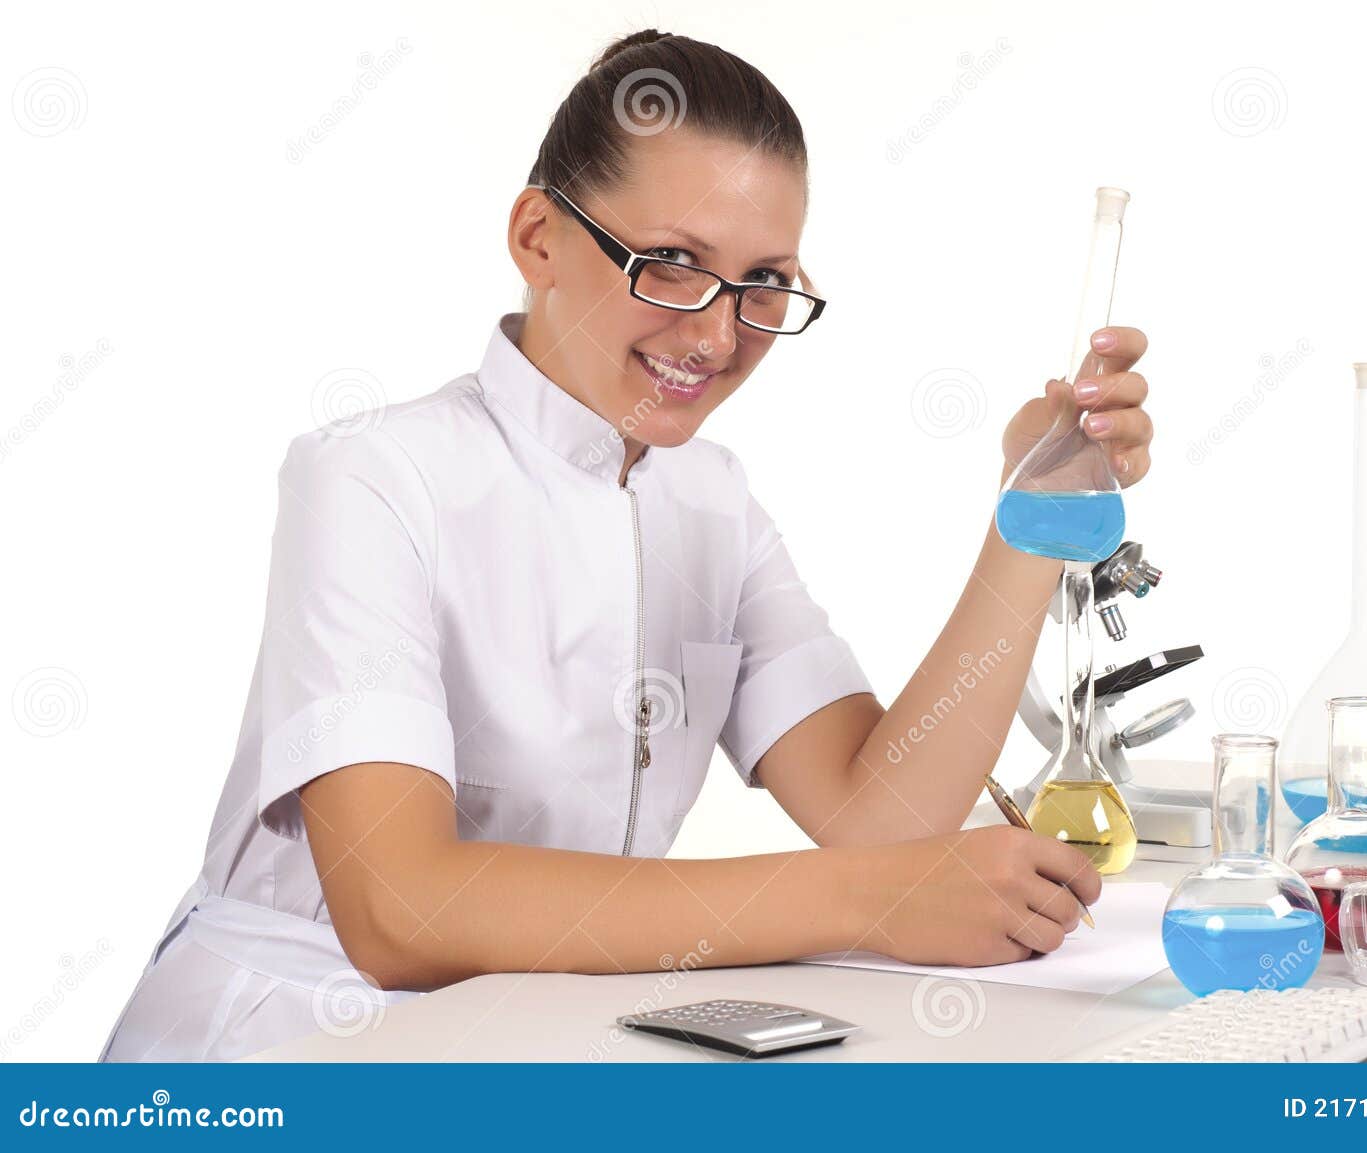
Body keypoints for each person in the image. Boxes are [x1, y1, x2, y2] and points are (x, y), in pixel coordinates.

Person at [102, 29, 1155, 1061]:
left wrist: (1032, 518)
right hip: (290, 1047)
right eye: (669, 264)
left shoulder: (709, 498)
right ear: (538, 237)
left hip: (531, 1041)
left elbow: (881, 816)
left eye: (762, 282)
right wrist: (865, 902)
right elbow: (401, 910)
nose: (715, 333)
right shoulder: (375, 476)